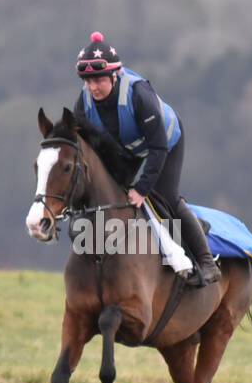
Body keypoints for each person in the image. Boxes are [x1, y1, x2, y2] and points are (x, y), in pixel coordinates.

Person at [71, 31, 220, 287]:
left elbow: (158, 148)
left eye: (98, 80)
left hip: (165, 144)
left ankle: (206, 261)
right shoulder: (83, 104)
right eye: (87, 81)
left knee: (165, 198)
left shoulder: (139, 94)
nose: (93, 87)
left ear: (114, 75)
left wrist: (141, 189)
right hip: (127, 151)